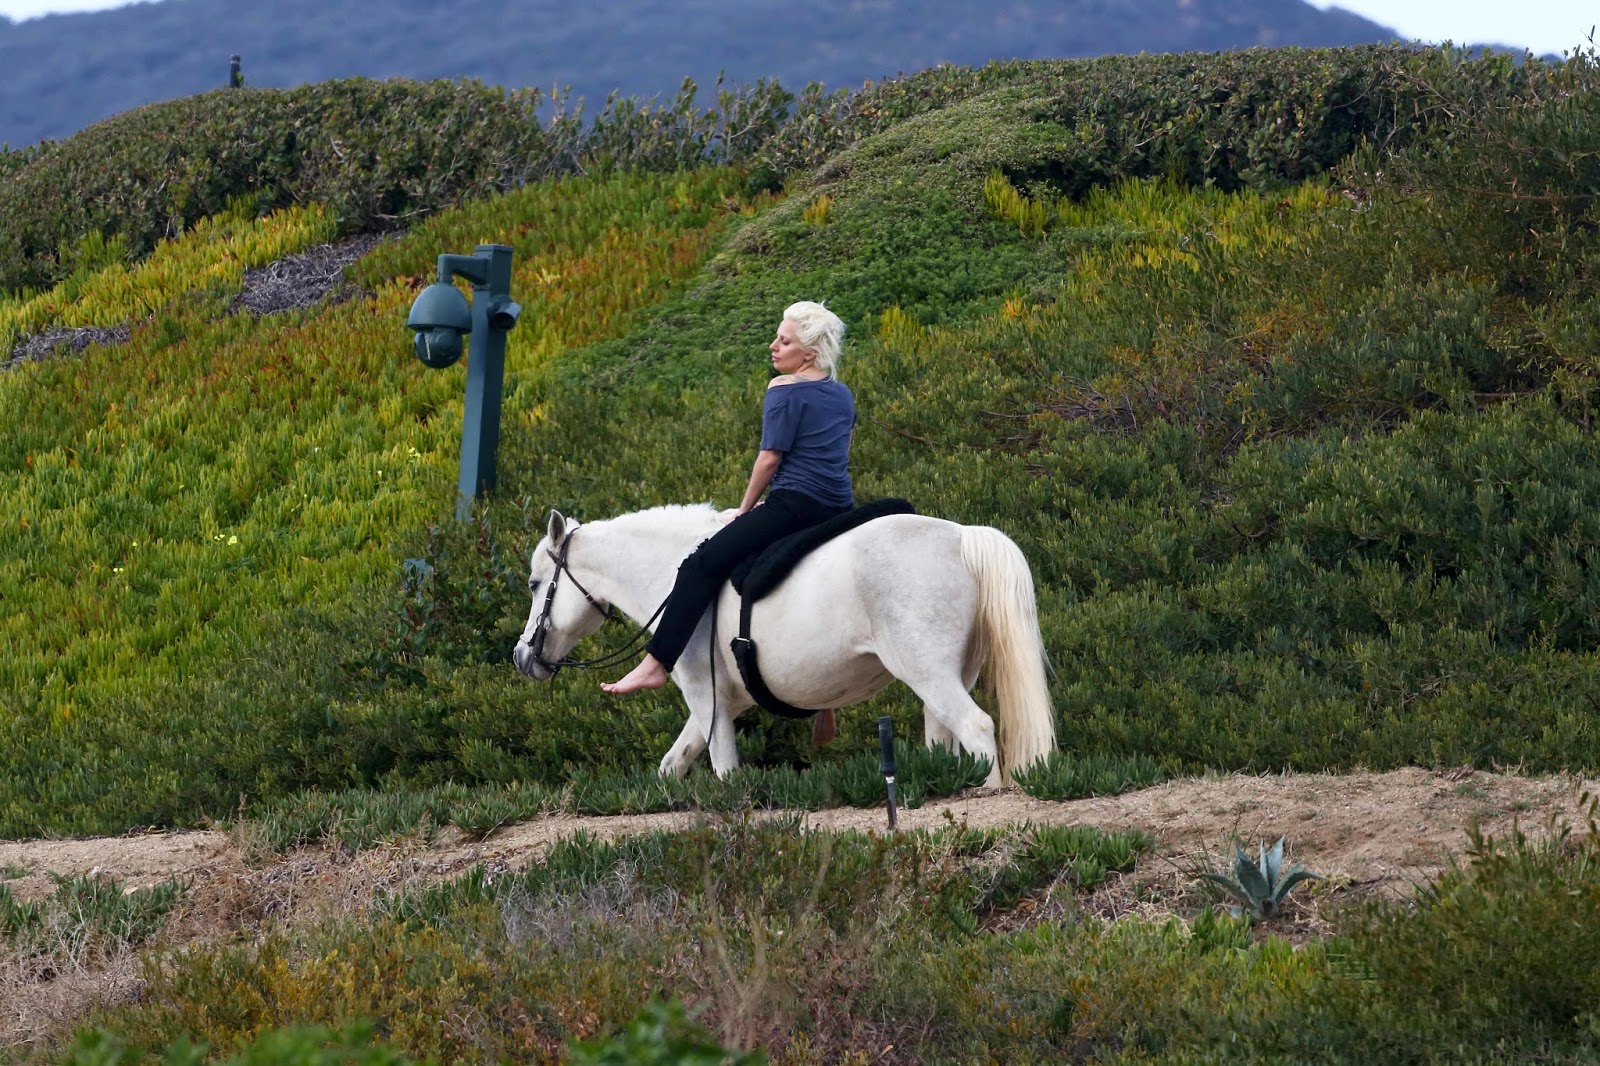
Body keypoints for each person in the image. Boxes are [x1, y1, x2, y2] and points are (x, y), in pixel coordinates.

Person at [602, 301, 855, 742]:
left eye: (785, 340)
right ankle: (826, 703)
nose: (774, 346)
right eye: (778, 337)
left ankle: (656, 663)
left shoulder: (784, 388)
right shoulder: (842, 393)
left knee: (700, 564)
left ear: (809, 353)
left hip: (793, 504)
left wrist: (742, 512)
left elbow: (770, 458)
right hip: (839, 508)